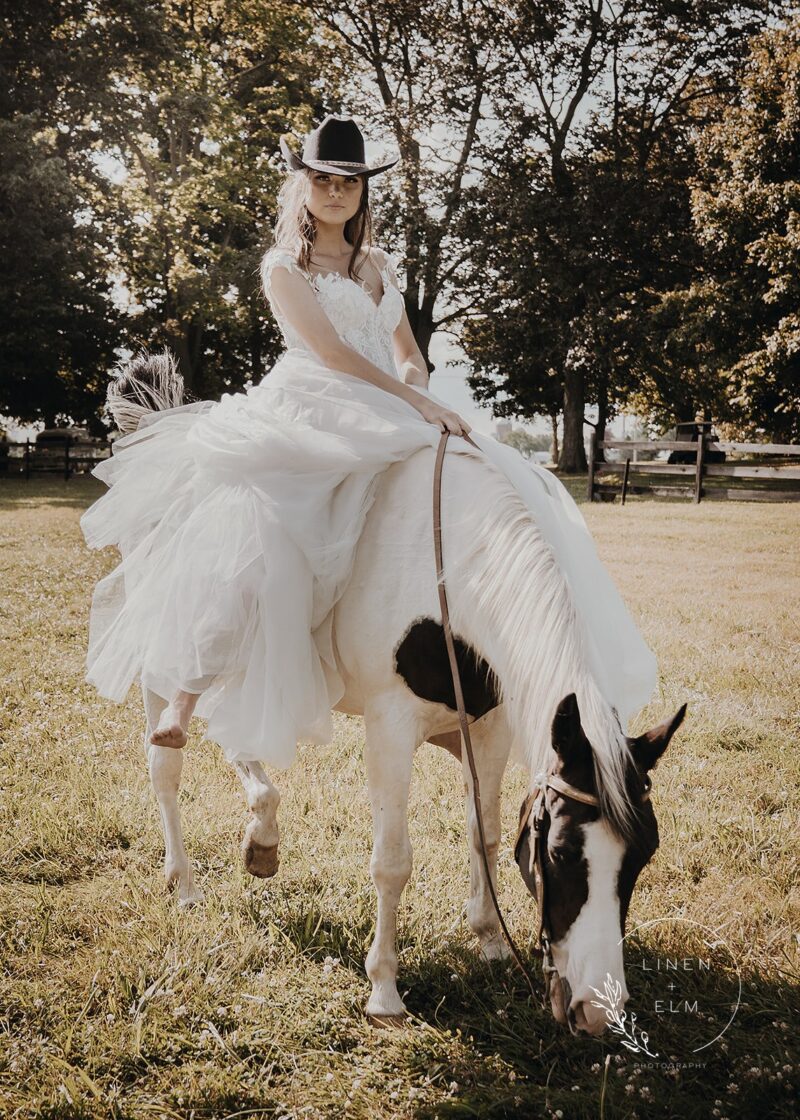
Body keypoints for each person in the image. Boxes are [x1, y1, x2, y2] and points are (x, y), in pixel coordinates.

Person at [82, 113, 657, 766]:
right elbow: (329, 353)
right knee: (265, 529)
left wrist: (417, 389)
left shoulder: (377, 265)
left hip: (388, 401)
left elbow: (406, 352)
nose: (336, 192)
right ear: (304, 185)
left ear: (362, 191)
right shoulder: (284, 268)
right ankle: (186, 693)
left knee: (498, 482)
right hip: (315, 404)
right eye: (324, 179)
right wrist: (408, 396)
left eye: (349, 182)